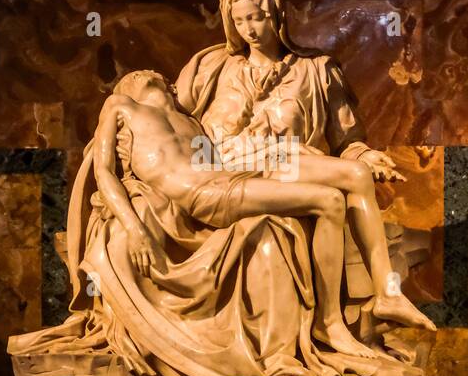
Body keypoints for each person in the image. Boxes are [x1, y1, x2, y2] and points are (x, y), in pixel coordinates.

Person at [94, 69, 431, 359]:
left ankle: (388, 294)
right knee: (327, 202)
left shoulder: (192, 122)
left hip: (231, 174)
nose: (143, 73)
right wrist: (133, 226)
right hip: (206, 194)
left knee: (353, 175)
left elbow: (236, 153)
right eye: (133, 75)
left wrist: (300, 152)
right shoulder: (121, 106)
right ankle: (329, 324)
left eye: (151, 73)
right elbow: (104, 172)